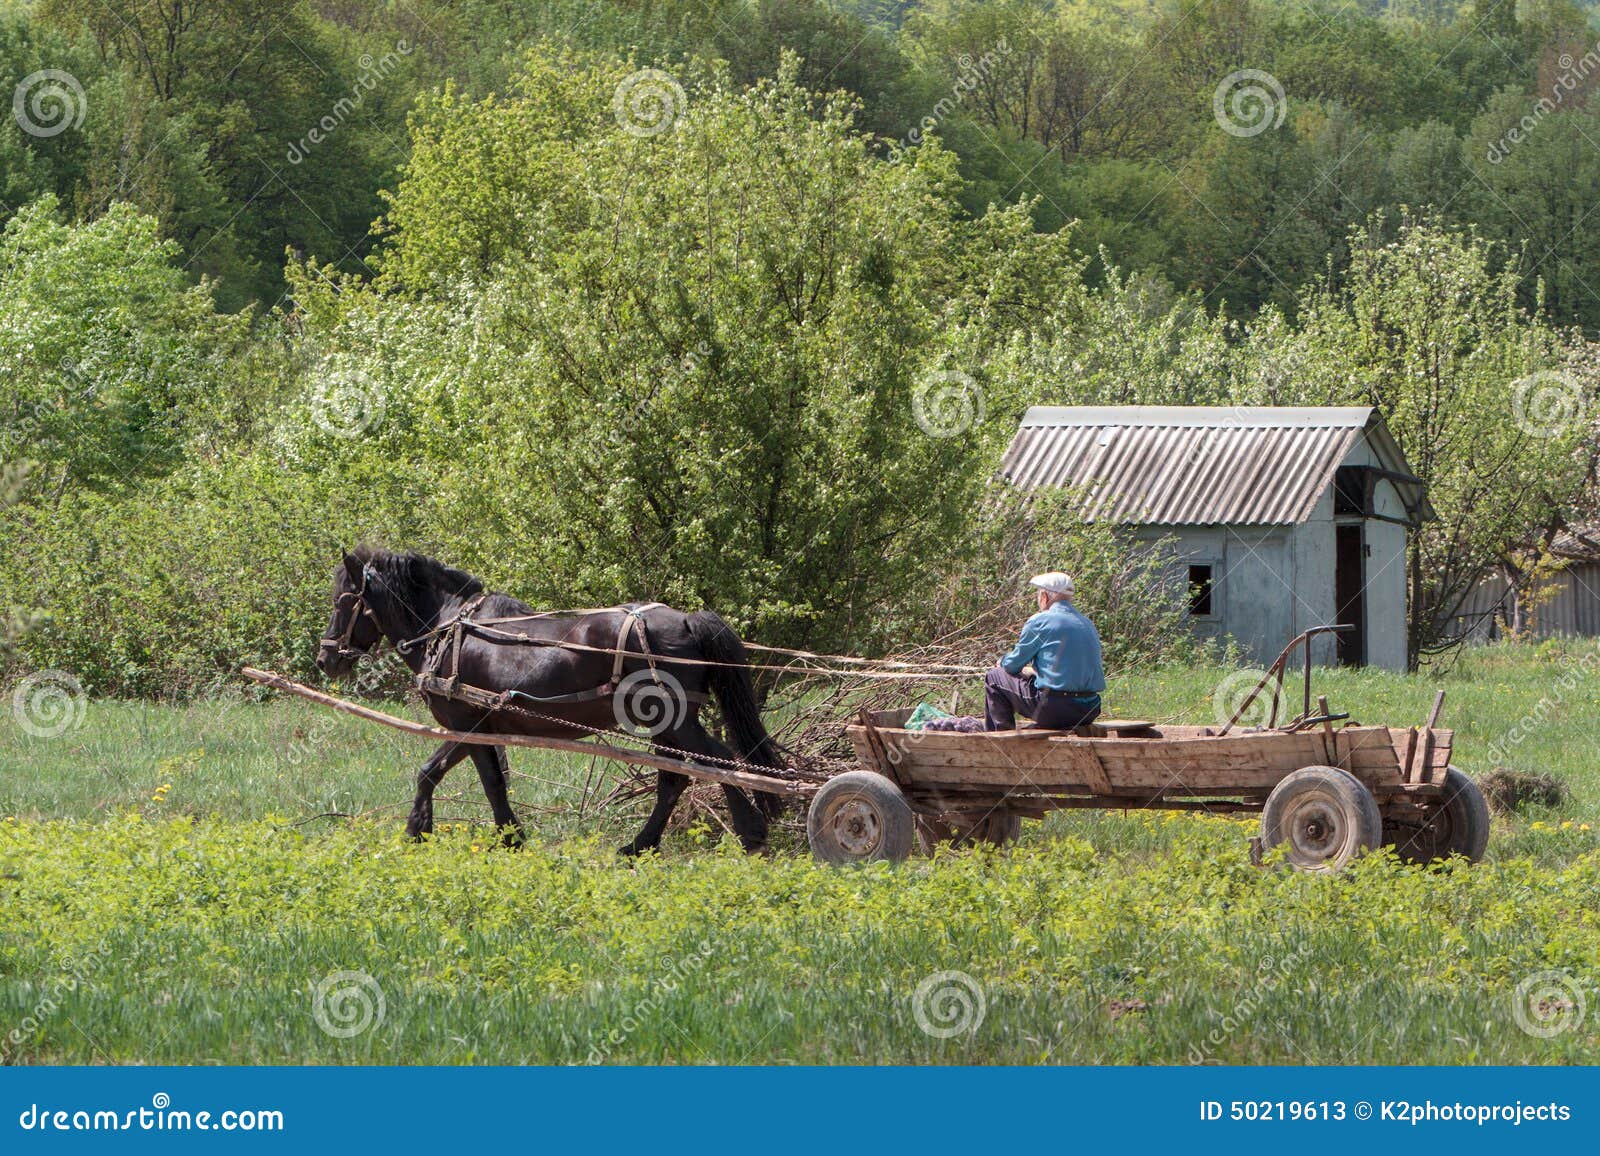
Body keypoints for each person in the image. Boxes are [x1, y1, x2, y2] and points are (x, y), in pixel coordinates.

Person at [984, 572, 1105, 732]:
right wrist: (1034, 671)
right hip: (1089, 709)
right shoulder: (1087, 623)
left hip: (1054, 708)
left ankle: (1001, 739)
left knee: (994, 677)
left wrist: (1002, 662)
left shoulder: (1041, 621)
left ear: (1044, 596)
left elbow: (1012, 666)